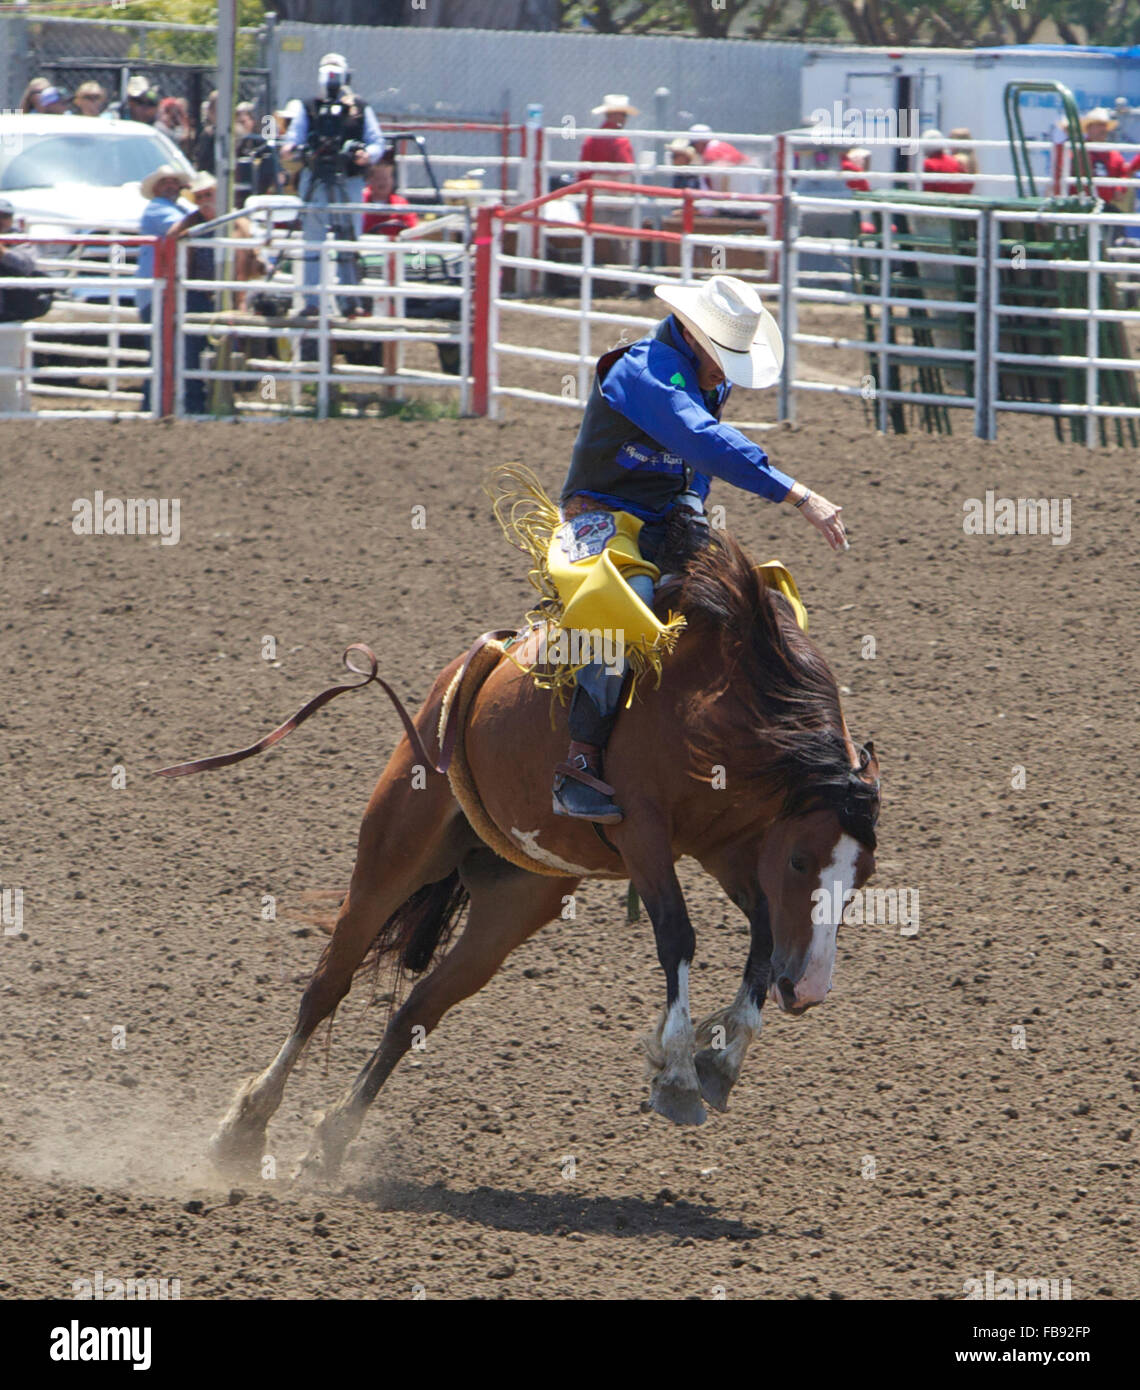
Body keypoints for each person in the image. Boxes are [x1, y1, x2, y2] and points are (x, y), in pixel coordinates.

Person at [552, 275, 848, 824]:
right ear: (689, 332)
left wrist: (691, 499)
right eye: (720, 356)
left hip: (667, 517)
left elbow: (697, 459)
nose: (722, 371)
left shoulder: (705, 377)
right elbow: (701, 438)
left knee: (756, 602)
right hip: (599, 512)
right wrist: (797, 493)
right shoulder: (641, 369)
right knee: (625, 607)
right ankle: (578, 761)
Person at [280, 53, 384, 314]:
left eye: (337, 70)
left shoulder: (359, 106)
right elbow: (293, 139)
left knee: (347, 238)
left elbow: (377, 141)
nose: (332, 76)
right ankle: (312, 302)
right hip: (315, 175)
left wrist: (367, 154)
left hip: (347, 177)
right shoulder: (308, 106)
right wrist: (292, 148)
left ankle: (349, 299)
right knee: (313, 239)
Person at [134, 164, 209, 413]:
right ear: (156, 189)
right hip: (160, 293)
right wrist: (206, 208)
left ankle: (161, 406)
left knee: (172, 350)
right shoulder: (159, 209)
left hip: (165, 292)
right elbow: (178, 231)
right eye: (164, 182)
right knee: (171, 351)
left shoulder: (178, 209)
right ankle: (173, 405)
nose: (170, 186)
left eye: (174, 182)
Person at [1074, 108, 1140, 210]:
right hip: (1081, 203)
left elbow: (1123, 173)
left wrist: (1119, 189)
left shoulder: (1113, 154)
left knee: (1116, 219)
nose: (1103, 129)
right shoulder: (1078, 151)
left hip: (1105, 204)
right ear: (1089, 128)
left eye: (1104, 125)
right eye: (1099, 125)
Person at [578, 94, 637, 180]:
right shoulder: (622, 141)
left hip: (593, 187)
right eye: (624, 115)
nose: (625, 119)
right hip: (616, 188)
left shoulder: (591, 140)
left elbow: (583, 173)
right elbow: (627, 168)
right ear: (611, 115)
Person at [362, 155, 418, 235]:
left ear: (392, 180)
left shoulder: (401, 204)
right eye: (378, 178)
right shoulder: (361, 202)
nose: (382, 183)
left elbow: (413, 232)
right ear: (370, 180)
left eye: (385, 178)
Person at [920, 129, 966, 194]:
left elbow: (927, 190)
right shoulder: (954, 161)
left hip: (938, 200)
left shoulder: (928, 164)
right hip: (955, 198)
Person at [948, 127, 977, 196]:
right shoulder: (971, 158)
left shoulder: (958, 159)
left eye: (952, 140)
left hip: (958, 194)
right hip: (966, 193)